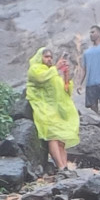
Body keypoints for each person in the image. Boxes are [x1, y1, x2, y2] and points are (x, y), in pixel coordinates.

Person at [27, 46, 81, 176]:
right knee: (53, 137)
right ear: (40, 57)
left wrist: (66, 75)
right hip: (44, 108)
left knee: (61, 140)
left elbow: (66, 90)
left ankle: (65, 166)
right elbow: (41, 78)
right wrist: (56, 68)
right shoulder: (35, 69)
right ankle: (60, 166)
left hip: (58, 110)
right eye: (46, 57)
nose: (49, 59)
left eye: (51, 57)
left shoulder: (53, 73)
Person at [79, 26, 100, 115]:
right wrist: (80, 84)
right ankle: (96, 128)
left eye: (93, 32)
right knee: (92, 107)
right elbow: (84, 69)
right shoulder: (86, 52)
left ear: (99, 34)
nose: (90, 34)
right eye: (90, 33)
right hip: (90, 84)